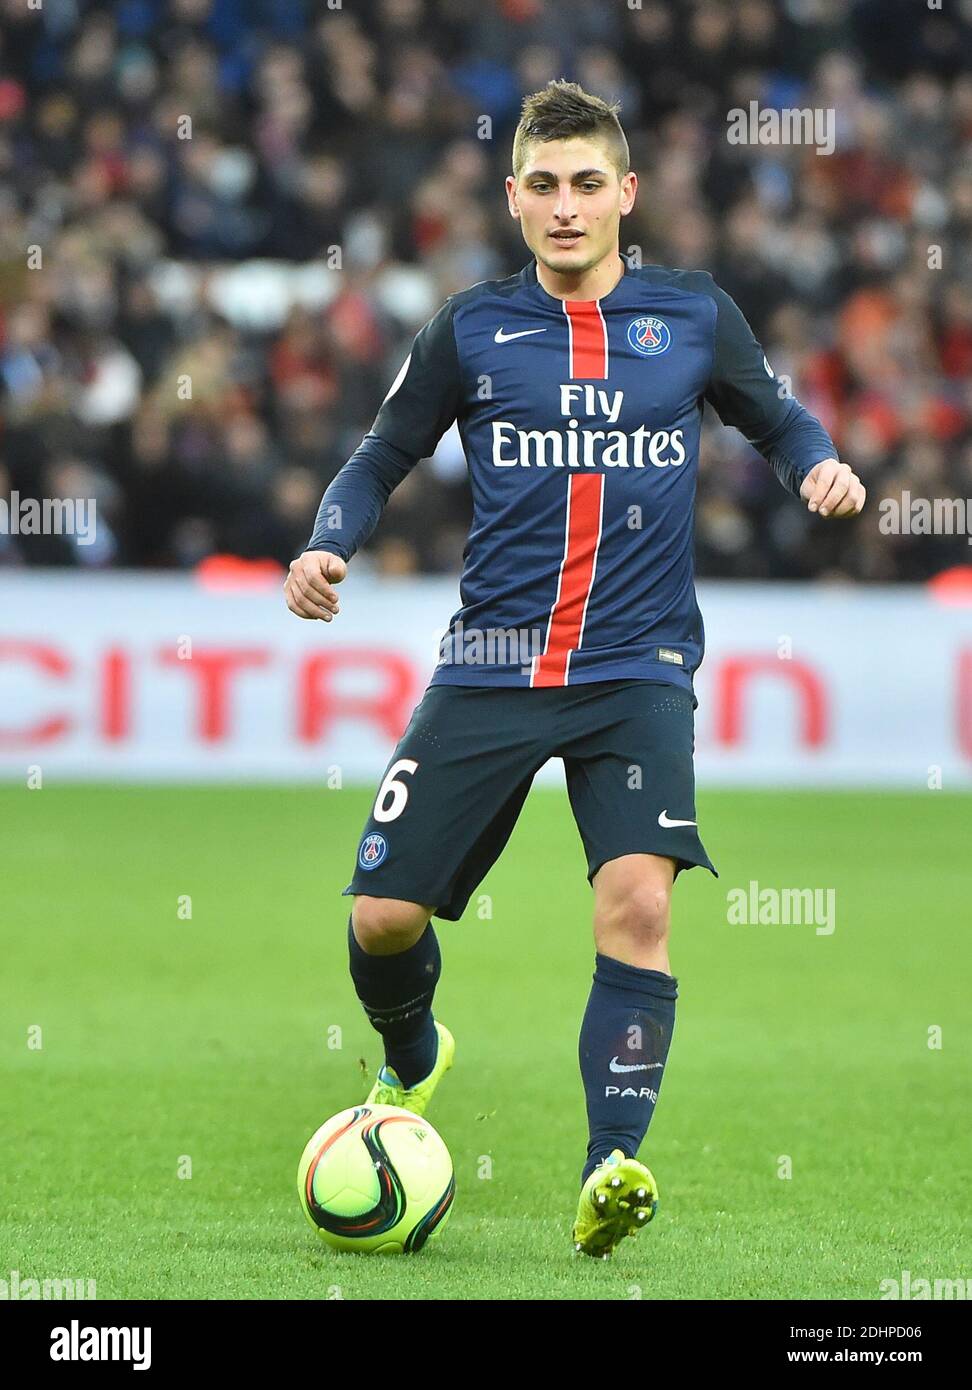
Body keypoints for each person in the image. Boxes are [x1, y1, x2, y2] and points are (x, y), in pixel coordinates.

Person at [284, 80, 866, 1257]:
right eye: (543, 186)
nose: (565, 206)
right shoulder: (467, 327)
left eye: (587, 184)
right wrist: (325, 541)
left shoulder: (694, 315)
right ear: (513, 200)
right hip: (493, 663)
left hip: (637, 670)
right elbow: (382, 449)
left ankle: (613, 1160)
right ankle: (412, 1055)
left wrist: (821, 466)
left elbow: (781, 417)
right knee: (384, 916)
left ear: (626, 194)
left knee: (639, 906)